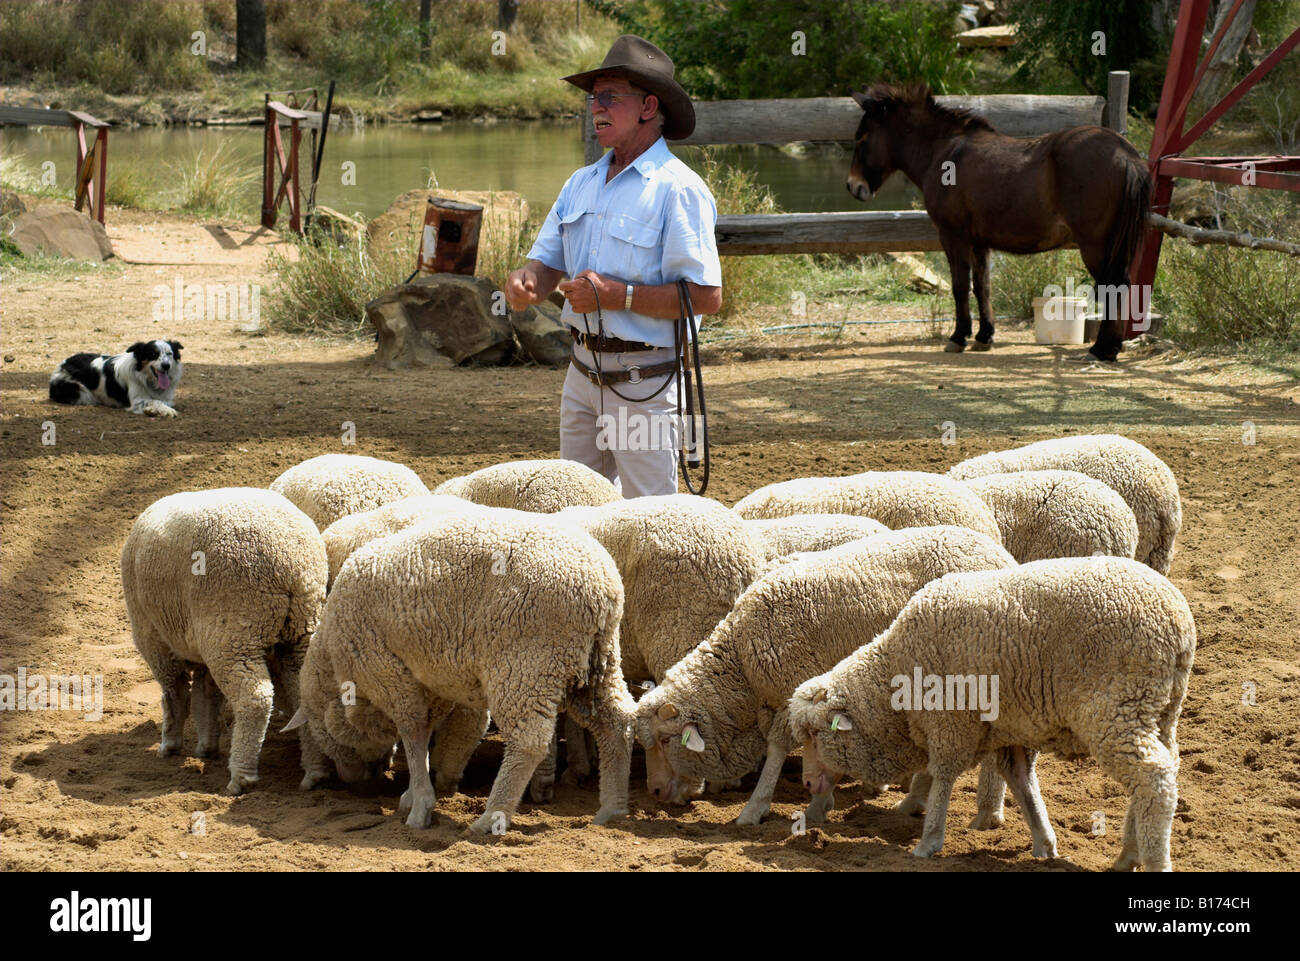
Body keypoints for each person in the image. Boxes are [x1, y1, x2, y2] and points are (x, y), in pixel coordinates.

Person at [505, 35, 722, 498]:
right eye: (592, 98)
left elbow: (707, 297)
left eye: (609, 97)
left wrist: (617, 296)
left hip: (644, 382)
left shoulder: (679, 190)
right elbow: (547, 264)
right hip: (581, 374)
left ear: (647, 107)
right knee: (575, 511)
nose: (595, 107)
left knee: (648, 523)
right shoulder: (580, 183)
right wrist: (529, 281)